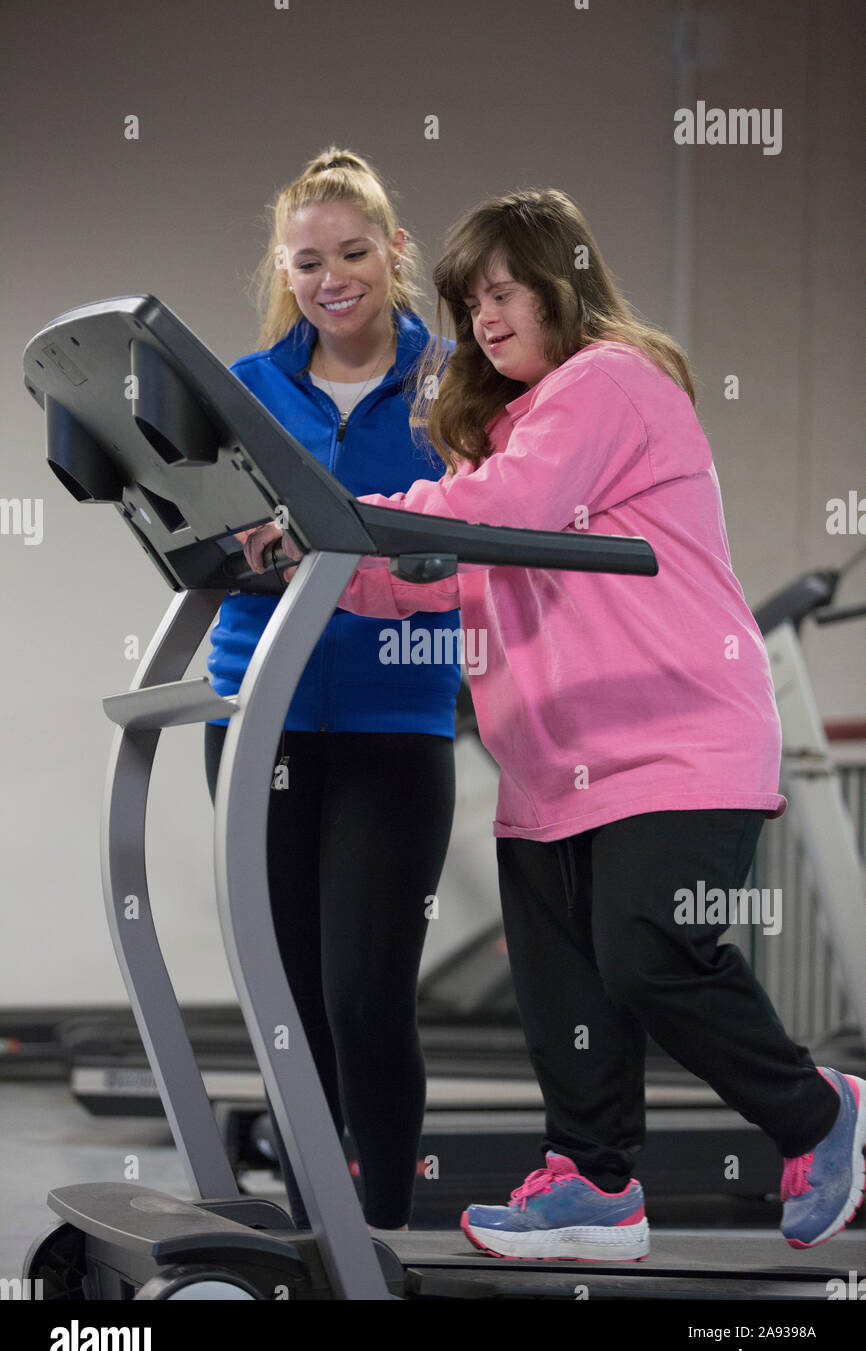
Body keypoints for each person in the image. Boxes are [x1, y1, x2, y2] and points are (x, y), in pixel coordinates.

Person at [244, 187, 866, 1259]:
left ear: (558, 283)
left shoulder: (607, 384)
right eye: (466, 301)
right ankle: (591, 1184)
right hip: (551, 764)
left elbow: (506, 514)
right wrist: (327, 568)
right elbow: (440, 574)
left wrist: (340, 525)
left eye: (502, 291)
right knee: (561, 989)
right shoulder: (506, 437)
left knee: (644, 955)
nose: (482, 317)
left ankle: (821, 1114)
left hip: (670, 746)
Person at [206, 148, 460, 1232]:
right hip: (255, 710)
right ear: (285, 268)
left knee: (364, 994)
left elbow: (471, 535)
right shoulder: (245, 387)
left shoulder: (454, 379)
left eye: (352, 253)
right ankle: (317, 1230)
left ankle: (388, 1237)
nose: (331, 278)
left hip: (394, 718)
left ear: (391, 251)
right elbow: (203, 537)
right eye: (307, 261)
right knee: (288, 1004)